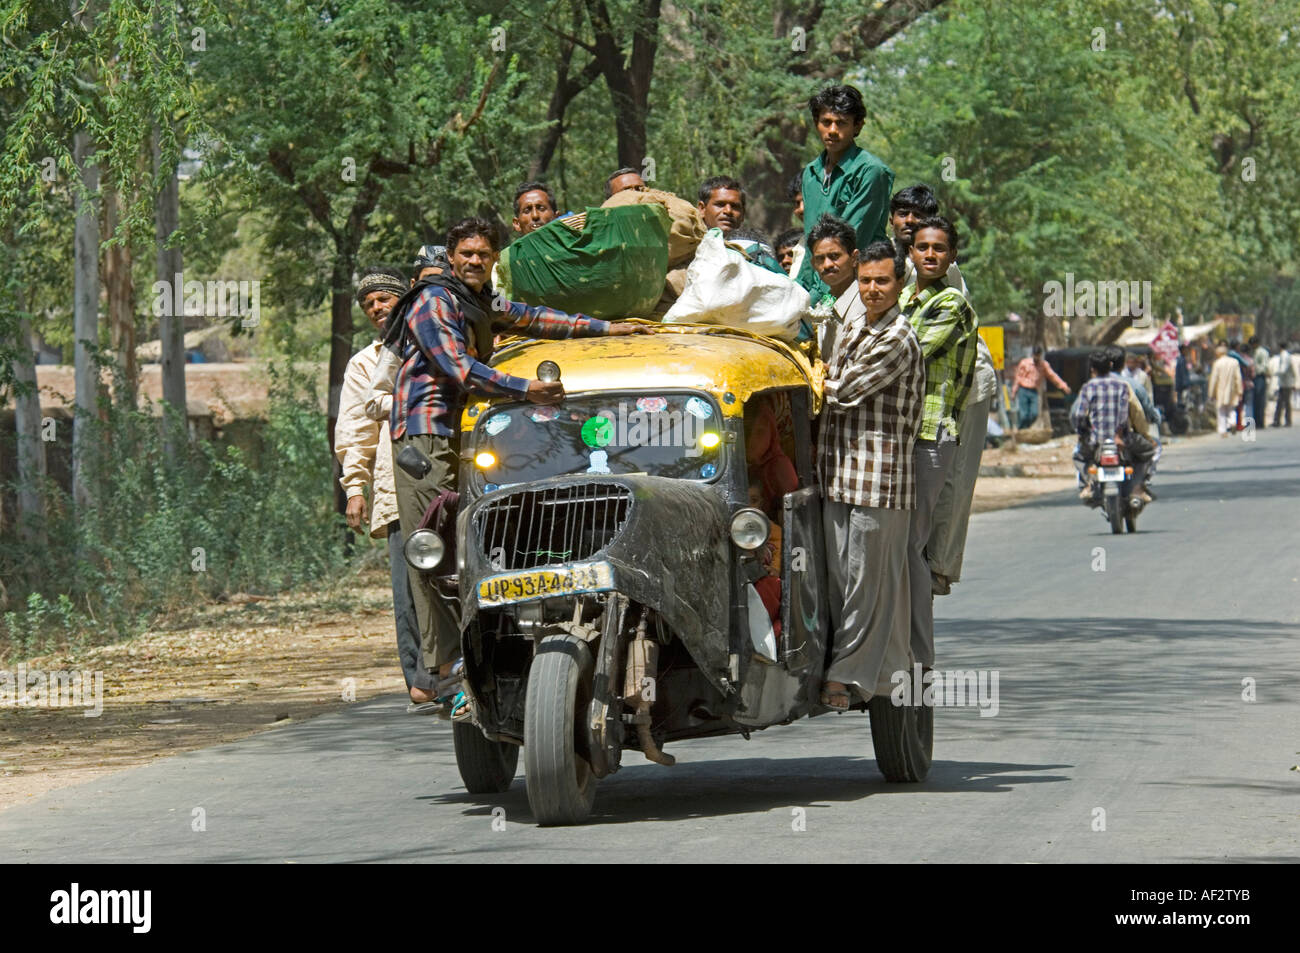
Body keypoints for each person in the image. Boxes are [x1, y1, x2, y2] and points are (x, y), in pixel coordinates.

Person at [382, 217, 651, 710]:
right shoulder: (435, 301)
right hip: (425, 436)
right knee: (432, 551)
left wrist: (606, 328)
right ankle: (445, 673)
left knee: (472, 544)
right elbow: (458, 368)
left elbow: (533, 317)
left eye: (483, 255)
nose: (474, 262)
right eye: (466, 254)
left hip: (459, 435)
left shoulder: (477, 301)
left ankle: (482, 655)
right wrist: (528, 389)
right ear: (450, 255)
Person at [817, 241, 925, 710]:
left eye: (882, 281)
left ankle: (844, 678)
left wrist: (813, 377)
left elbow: (842, 390)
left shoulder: (898, 336)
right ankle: (884, 680)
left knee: (866, 587)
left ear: (900, 284)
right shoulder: (856, 324)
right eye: (865, 281)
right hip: (839, 473)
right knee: (844, 581)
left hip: (880, 480)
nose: (873, 289)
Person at [335, 266, 437, 707]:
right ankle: (420, 677)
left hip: (452, 473)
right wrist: (355, 488)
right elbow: (356, 430)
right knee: (407, 585)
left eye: (384, 298)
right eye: (368, 303)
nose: (377, 307)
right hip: (397, 484)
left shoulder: (440, 336)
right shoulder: (364, 363)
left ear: (406, 298)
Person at [897, 216, 977, 669]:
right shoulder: (905, 296)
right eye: (922, 247)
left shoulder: (951, 304)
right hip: (899, 436)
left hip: (930, 437)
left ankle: (918, 657)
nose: (929, 254)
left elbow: (907, 353)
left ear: (952, 256)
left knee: (911, 546)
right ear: (911, 252)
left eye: (939, 248)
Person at [795, 85, 894, 298]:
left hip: (860, 286)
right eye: (826, 122)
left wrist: (818, 298)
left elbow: (852, 241)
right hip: (819, 284)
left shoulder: (870, 171)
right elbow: (811, 242)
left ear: (857, 126)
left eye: (841, 123)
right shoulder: (811, 173)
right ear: (816, 123)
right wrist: (800, 289)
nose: (832, 130)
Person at [928, 334, 997, 595]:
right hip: (930, 384)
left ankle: (939, 565)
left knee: (952, 476)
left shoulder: (948, 301)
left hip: (962, 384)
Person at [1071, 348, 1150, 493]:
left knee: (1078, 456)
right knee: (1147, 451)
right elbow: (1135, 412)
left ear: (1092, 370)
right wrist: (1144, 434)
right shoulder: (1122, 386)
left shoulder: (1088, 388)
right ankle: (1137, 487)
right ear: (1110, 366)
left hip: (1095, 440)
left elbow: (1079, 415)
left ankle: (1088, 484)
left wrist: (1083, 433)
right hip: (1124, 439)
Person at [891, 184, 969, 295]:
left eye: (918, 215)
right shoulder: (879, 256)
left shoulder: (944, 265)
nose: (909, 220)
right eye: (903, 214)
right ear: (891, 222)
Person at [807, 214, 861, 358]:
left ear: (854, 258)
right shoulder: (824, 303)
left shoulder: (864, 305)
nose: (827, 265)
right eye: (820, 258)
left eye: (835, 256)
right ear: (813, 264)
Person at [1011, 345, 1070, 429]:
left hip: (1033, 391)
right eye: (1035, 355)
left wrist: (1064, 386)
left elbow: (1053, 376)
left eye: (1038, 355)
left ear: (1040, 355)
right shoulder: (1024, 363)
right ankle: (1021, 430)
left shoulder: (1044, 365)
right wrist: (1014, 392)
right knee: (1024, 415)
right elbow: (1018, 378)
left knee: (1034, 414)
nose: (1036, 357)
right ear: (1032, 354)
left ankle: (1025, 429)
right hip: (1023, 390)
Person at [1207, 342, 1243, 437]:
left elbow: (1214, 379)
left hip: (1221, 390)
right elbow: (1238, 377)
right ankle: (1232, 423)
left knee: (1221, 410)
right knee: (1231, 408)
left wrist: (1211, 393)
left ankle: (1223, 430)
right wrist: (1240, 391)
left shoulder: (1217, 363)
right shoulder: (1234, 362)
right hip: (1232, 390)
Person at [1271, 341, 1294, 427]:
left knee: (1284, 402)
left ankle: (1284, 421)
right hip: (1284, 382)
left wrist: (1274, 373)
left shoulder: (1285, 356)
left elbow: (1283, 369)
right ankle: (1279, 420)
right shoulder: (1285, 355)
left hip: (1286, 383)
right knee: (1282, 402)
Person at [1251, 336, 1270, 428]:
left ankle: (1260, 422)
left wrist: (1256, 370)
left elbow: (1264, 366)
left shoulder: (1262, 352)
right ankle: (1256, 421)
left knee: (1260, 400)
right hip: (1255, 377)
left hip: (1260, 377)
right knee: (1256, 400)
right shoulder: (1254, 352)